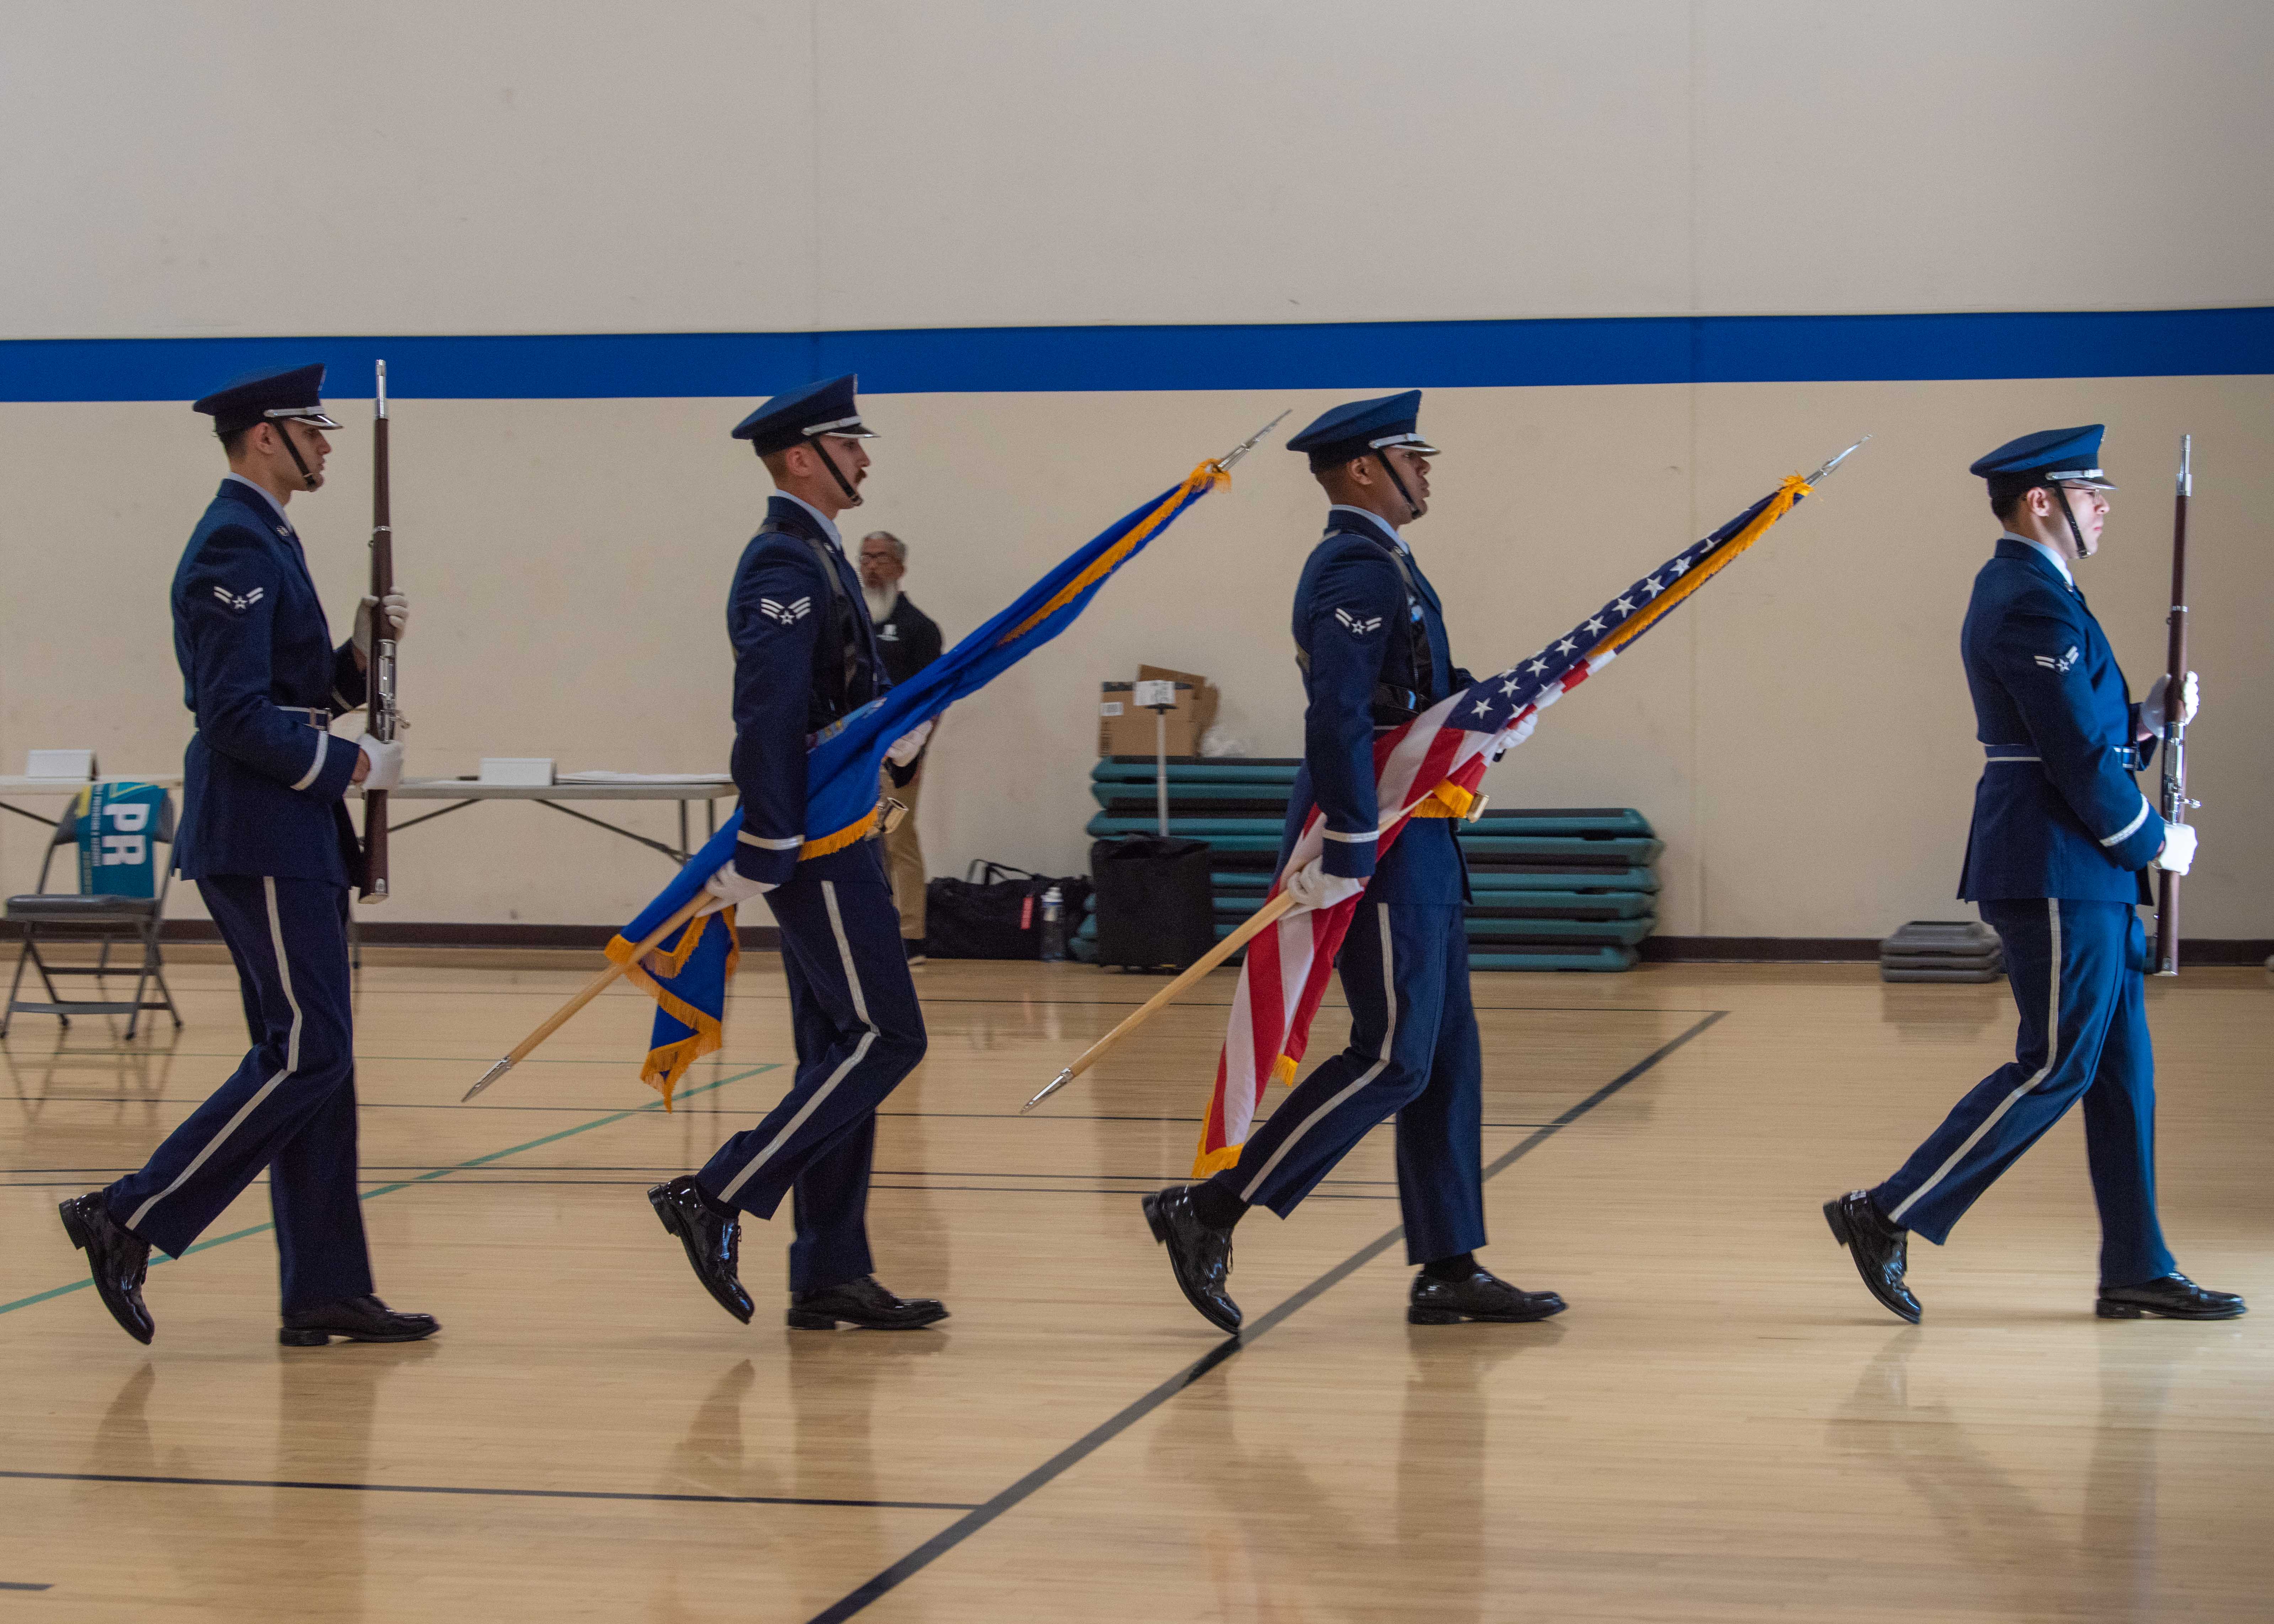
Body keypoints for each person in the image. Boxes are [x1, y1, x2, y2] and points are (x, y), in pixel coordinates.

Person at [1142, 391, 1566, 1332]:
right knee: (1391, 1056)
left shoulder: (1388, 564)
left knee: (1446, 1055)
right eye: (1415, 457)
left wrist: (1485, 711)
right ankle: (1207, 1207)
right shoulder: (1353, 567)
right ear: (1367, 468)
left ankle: (1448, 1263)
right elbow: (1336, 713)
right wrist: (1345, 841)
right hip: (1374, 832)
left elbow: (1406, 693)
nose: (1428, 471)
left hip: (1417, 828)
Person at [1826, 425, 2244, 1324]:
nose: (2102, 506)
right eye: (2089, 491)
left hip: (2078, 864)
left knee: (2121, 1074)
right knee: (2054, 1062)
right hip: (2055, 861)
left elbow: (2085, 731)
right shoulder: (2025, 598)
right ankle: (1886, 1208)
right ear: (2040, 501)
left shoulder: (2046, 593)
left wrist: (2145, 717)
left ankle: (2136, 1262)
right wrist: (2151, 840)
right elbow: (2066, 757)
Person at [58, 363, 436, 1348]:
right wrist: (350, 760)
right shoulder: (234, 538)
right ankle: (131, 1213)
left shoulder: (270, 535)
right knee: (307, 1051)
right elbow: (230, 714)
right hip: (261, 830)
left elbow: (294, 687)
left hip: (294, 831)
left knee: (323, 1062)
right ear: (267, 435)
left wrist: (357, 656)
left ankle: (324, 1288)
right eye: (314, 430)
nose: (327, 445)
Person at [646, 375, 946, 1332]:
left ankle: (828, 1270)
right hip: (813, 844)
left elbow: (829, 697)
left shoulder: (817, 555)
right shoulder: (783, 561)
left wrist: (893, 729)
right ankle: (718, 1192)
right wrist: (771, 839)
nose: (865, 460)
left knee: (837, 1046)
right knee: (886, 1036)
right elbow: (768, 713)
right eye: (849, 445)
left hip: (841, 828)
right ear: (803, 458)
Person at [858, 530, 944, 961]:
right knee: (855, 841)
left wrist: (914, 753)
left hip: (897, 759)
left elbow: (935, 699)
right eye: (866, 557)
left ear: (900, 568)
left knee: (894, 836)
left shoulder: (918, 629)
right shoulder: (847, 621)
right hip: (852, 755)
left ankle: (911, 933)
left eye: (881, 558)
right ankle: (871, 927)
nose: (872, 566)